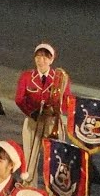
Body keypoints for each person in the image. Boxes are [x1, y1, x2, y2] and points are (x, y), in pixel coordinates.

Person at [14, 43, 72, 178]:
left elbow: (67, 100)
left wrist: (56, 110)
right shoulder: (27, 76)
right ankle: (28, 184)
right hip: (33, 120)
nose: (41, 60)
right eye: (38, 57)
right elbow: (19, 99)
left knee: (55, 158)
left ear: (51, 60)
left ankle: (53, 188)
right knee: (29, 157)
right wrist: (31, 112)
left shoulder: (60, 77)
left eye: (45, 57)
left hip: (52, 121)